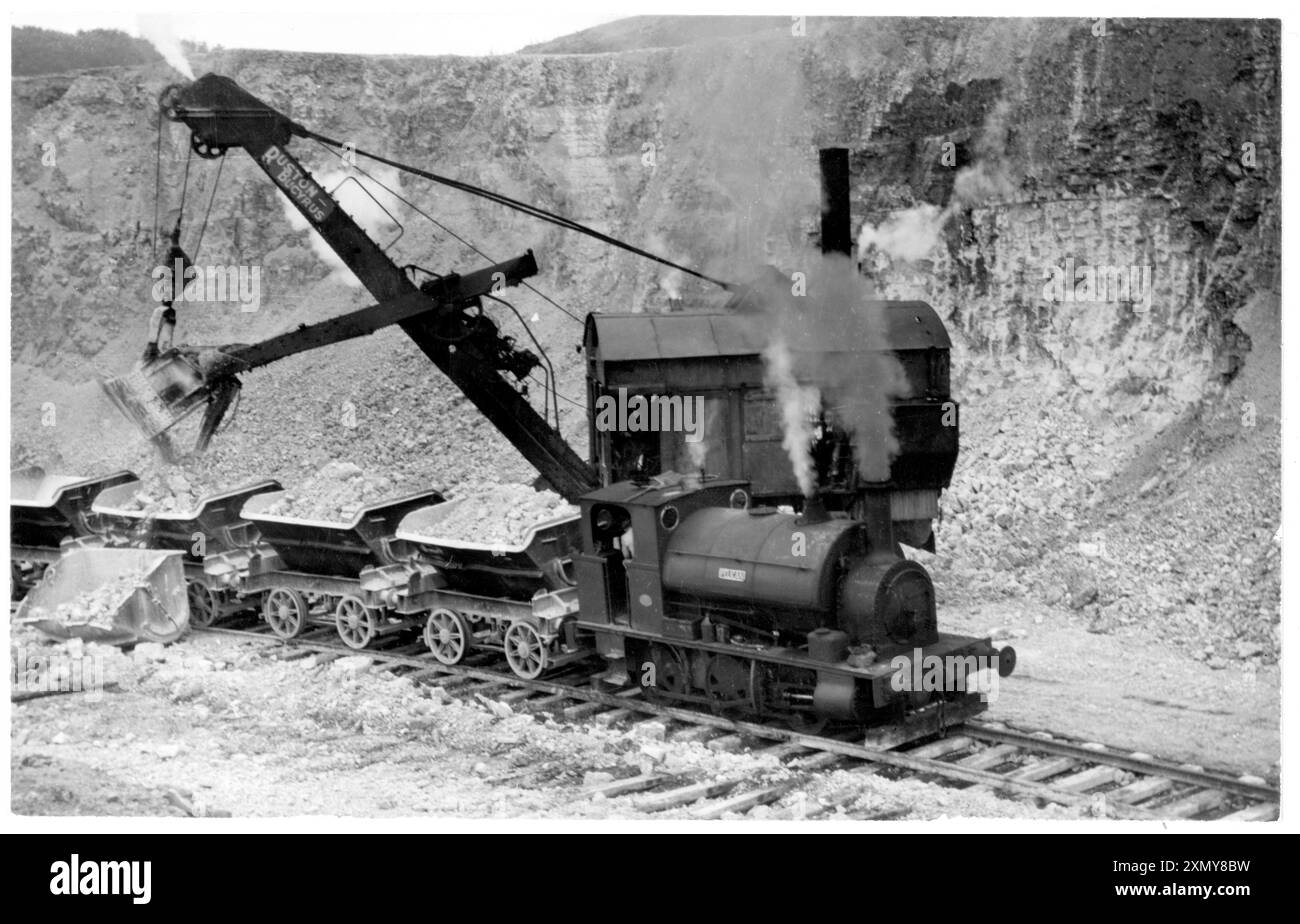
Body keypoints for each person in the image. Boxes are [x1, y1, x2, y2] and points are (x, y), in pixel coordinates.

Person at [143, 226, 192, 362]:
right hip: (171, 283)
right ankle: (158, 350)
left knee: (164, 315)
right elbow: (191, 274)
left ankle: (156, 350)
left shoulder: (170, 254)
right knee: (166, 315)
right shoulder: (177, 255)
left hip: (169, 283)